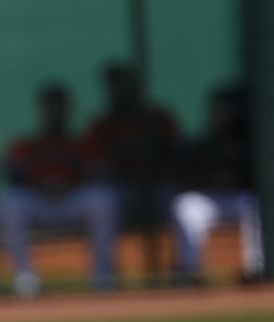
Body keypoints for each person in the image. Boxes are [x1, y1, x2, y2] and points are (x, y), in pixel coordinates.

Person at [81, 61, 181, 286]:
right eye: (114, 87)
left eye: (124, 86)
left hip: (158, 189)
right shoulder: (101, 125)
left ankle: (183, 275)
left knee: (181, 203)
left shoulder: (159, 118)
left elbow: (179, 157)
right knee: (102, 201)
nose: (119, 92)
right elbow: (96, 168)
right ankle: (104, 280)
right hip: (122, 192)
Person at [0, 80, 100, 296]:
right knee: (11, 202)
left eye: (58, 106)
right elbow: (10, 172)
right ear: (42, 110)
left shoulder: (81, 143)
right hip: (39, 203)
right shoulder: (27, 145)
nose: (54, 112)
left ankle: (103, 276)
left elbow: (96, 173)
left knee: (102, 199)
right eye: (50, 106)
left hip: (72, 201)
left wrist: (72, 182)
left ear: (68, 109)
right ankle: (25, 279)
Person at [169, 83, 263, 283]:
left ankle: (255, 269)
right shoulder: (206, 142)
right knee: (185, 206)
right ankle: (189, 271)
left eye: (226, 108)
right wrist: (209, 180)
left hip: (240, 197)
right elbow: (185, 174)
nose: (222, 113)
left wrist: (235, 178)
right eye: (219, 108)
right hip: (210, 199)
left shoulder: (251, 139)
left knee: (255, 204)